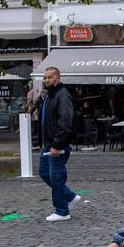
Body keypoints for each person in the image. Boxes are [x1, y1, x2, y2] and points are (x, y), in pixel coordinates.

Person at [38, 65, 78, 222]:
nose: (46, 80)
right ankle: (69, 196)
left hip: (56, 144)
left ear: (58, 78)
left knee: (56, 176)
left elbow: (65, 122)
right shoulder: (51, 95)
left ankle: (62, 211)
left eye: (50, 77)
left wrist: (57, 144)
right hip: (48, 142)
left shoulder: (62, 95)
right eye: (45, 77)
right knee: (44, 172)